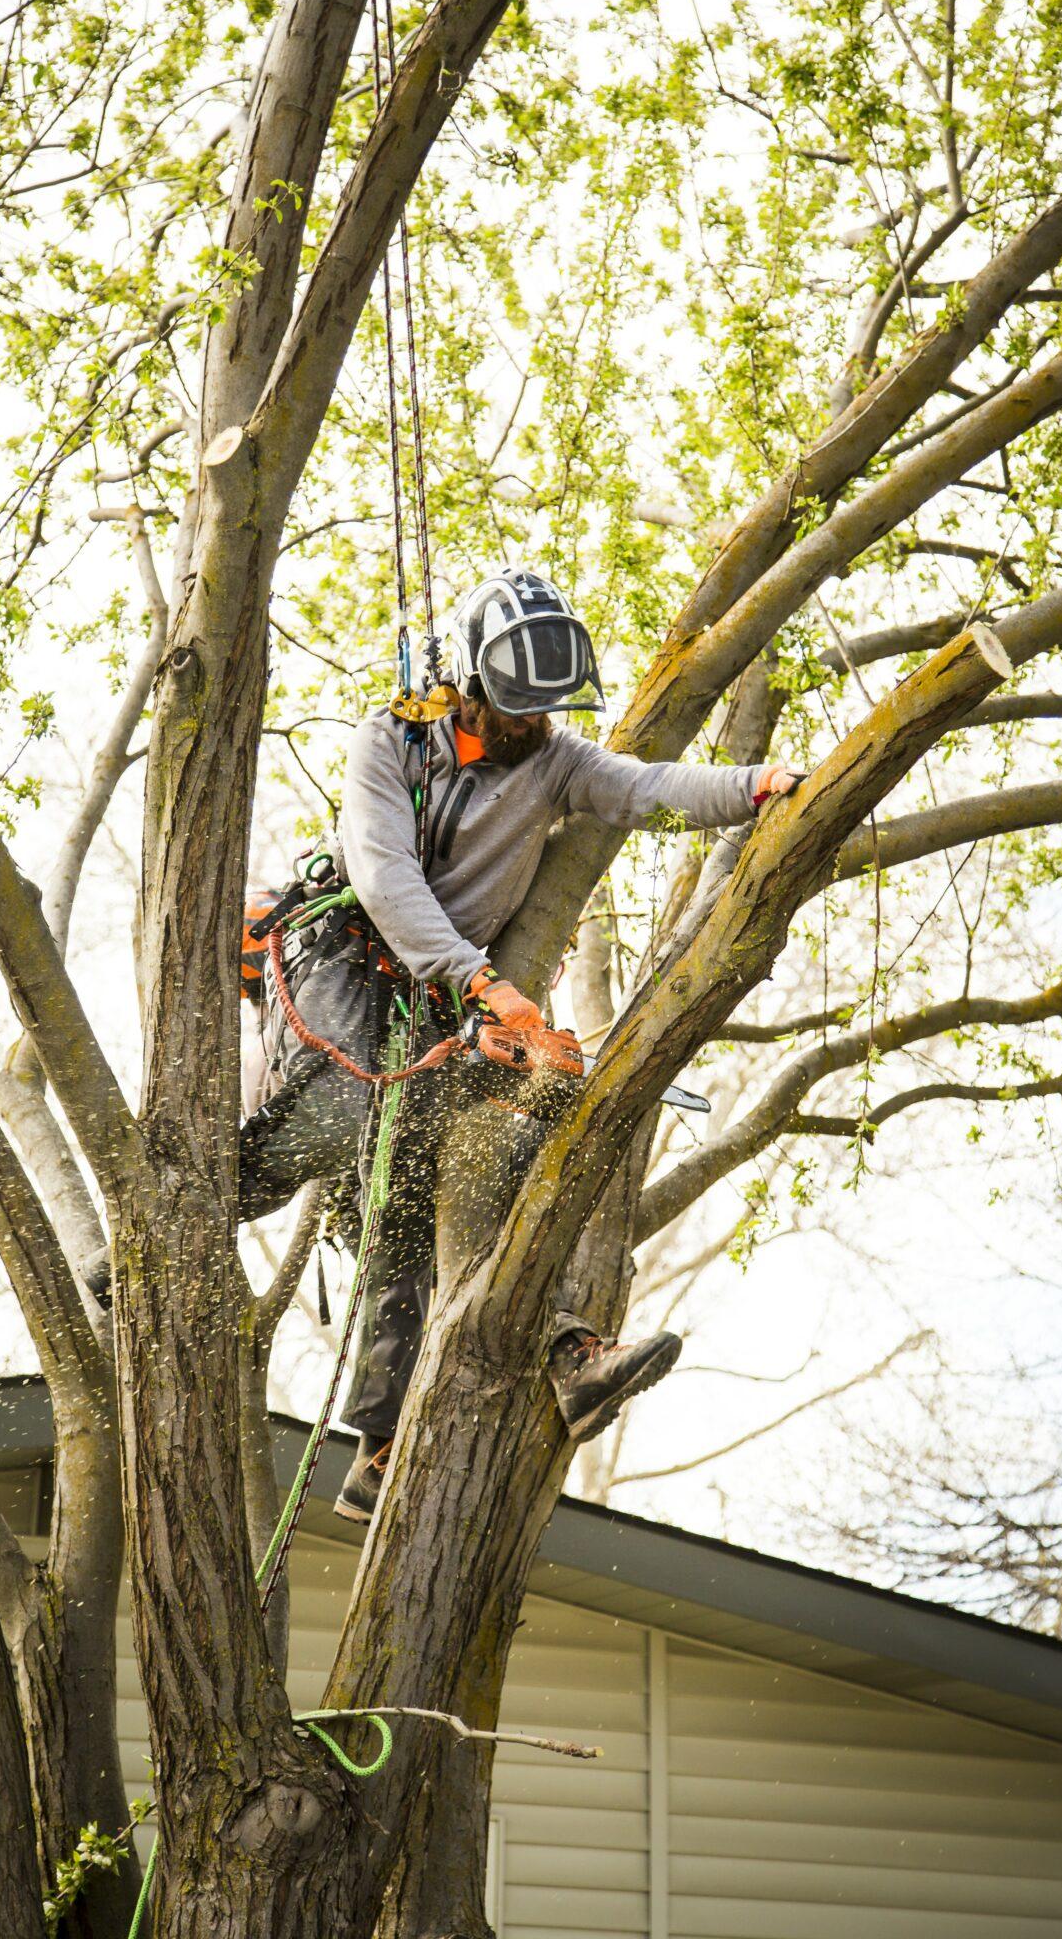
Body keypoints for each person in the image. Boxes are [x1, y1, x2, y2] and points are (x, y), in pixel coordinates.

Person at [239, 570, 801, 1522]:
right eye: (518, 709)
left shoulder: (553, 760)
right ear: (467, 682)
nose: (534, 726)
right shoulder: (392, 742)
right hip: (350, 952)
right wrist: (488, 988)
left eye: (547, 713)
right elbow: (384, 877)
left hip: (440, 1002)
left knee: (415, 1189)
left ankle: (395, 1438)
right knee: (339, 1114)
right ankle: (172, 1218)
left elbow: (647, 787)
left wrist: (754, 786)